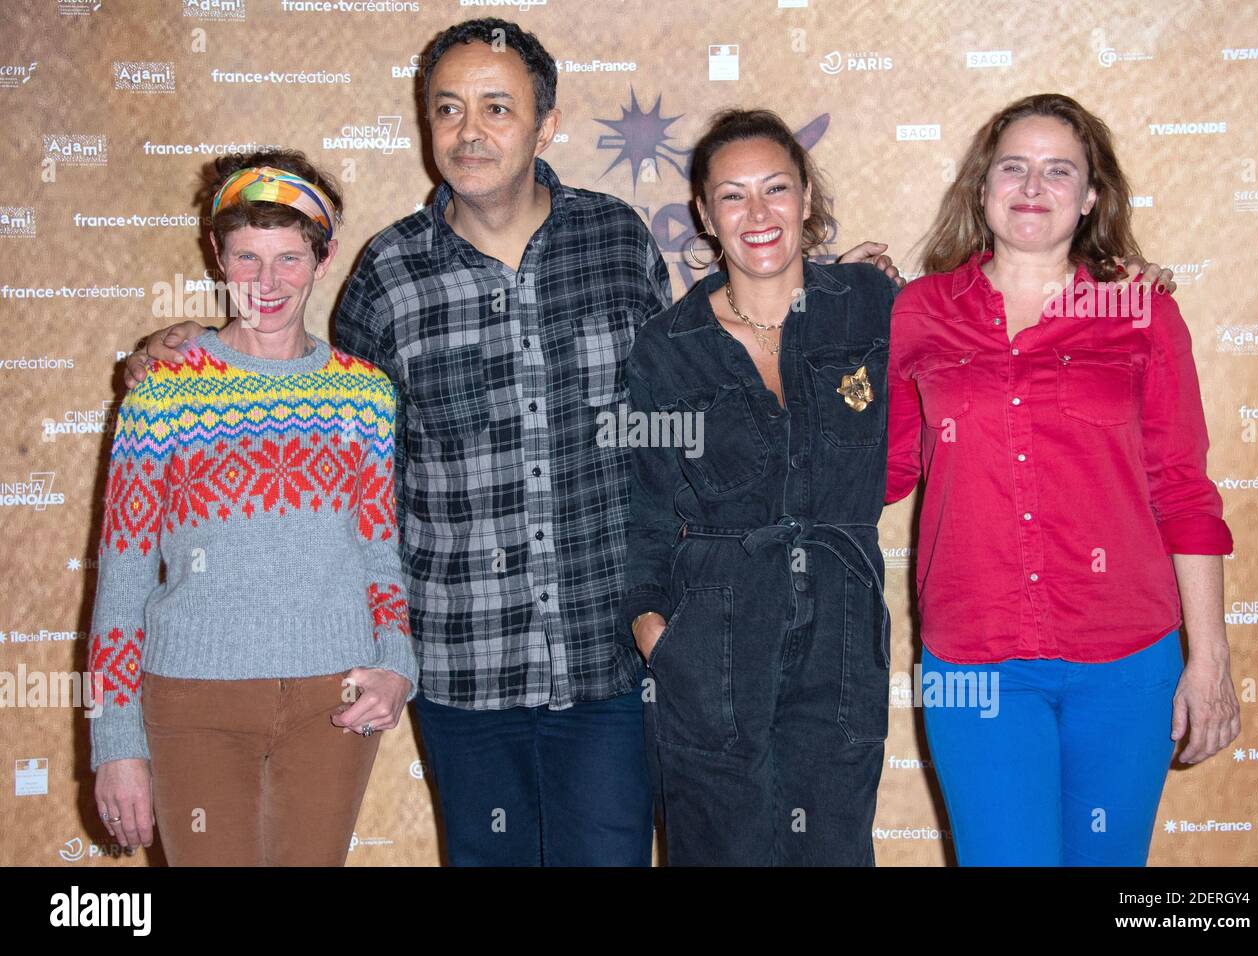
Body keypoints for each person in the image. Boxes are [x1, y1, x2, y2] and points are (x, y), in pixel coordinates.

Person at [124, 19, 903, 867]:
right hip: (465, 666)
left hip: (608, 659)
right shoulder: (389, 274)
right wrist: (188, 346)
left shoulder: (616, 242)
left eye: (498, 107)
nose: (470, 131)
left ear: (547, 125)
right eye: (448, 109)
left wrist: (836, 288)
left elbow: (709, 351)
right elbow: (313, 386)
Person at [886, 93, 1239, 866]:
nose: (1033, 187)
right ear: (982, 187)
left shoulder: (1141, 312)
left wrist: (1207, 658)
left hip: (1127, 662)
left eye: (1058, 171)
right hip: (971, 663)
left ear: (1090, 197)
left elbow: (1183, 491)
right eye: (1014, 168)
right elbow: (880, 472)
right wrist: (837, 311)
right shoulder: (918, 312)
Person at [92, 150, 418, 865]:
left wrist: (397, 662)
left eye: (290, 259)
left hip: (333, 700)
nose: (266, 283)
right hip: (191, 703)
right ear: (215, 254)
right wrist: (115, 740)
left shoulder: (362, 392)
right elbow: (121, 574)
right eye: (247, 257)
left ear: (323, 259)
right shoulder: (164, 389)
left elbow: (377, 550)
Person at [622, 109, 897, 866]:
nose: (758, 213)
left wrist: (1109, 278)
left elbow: (989, 312)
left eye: (776, 188)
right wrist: (655, 630)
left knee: (834, 850)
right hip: (713, 635)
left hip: (840, 635)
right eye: (733, 196)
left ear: (807, 197)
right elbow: (645, 507)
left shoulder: (869, 308)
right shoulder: (668, 346)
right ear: (706, 215)